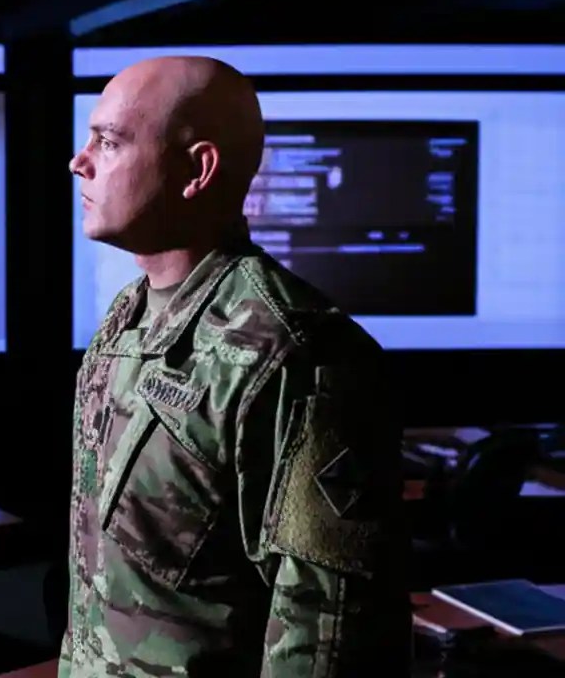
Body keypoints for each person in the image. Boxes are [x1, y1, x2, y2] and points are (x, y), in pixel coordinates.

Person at [61, 56, 410, 677]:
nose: (79, 161)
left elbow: (325, 634)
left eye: (108, 141)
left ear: (198, 169)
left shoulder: (296, 356)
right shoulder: (126, 318)